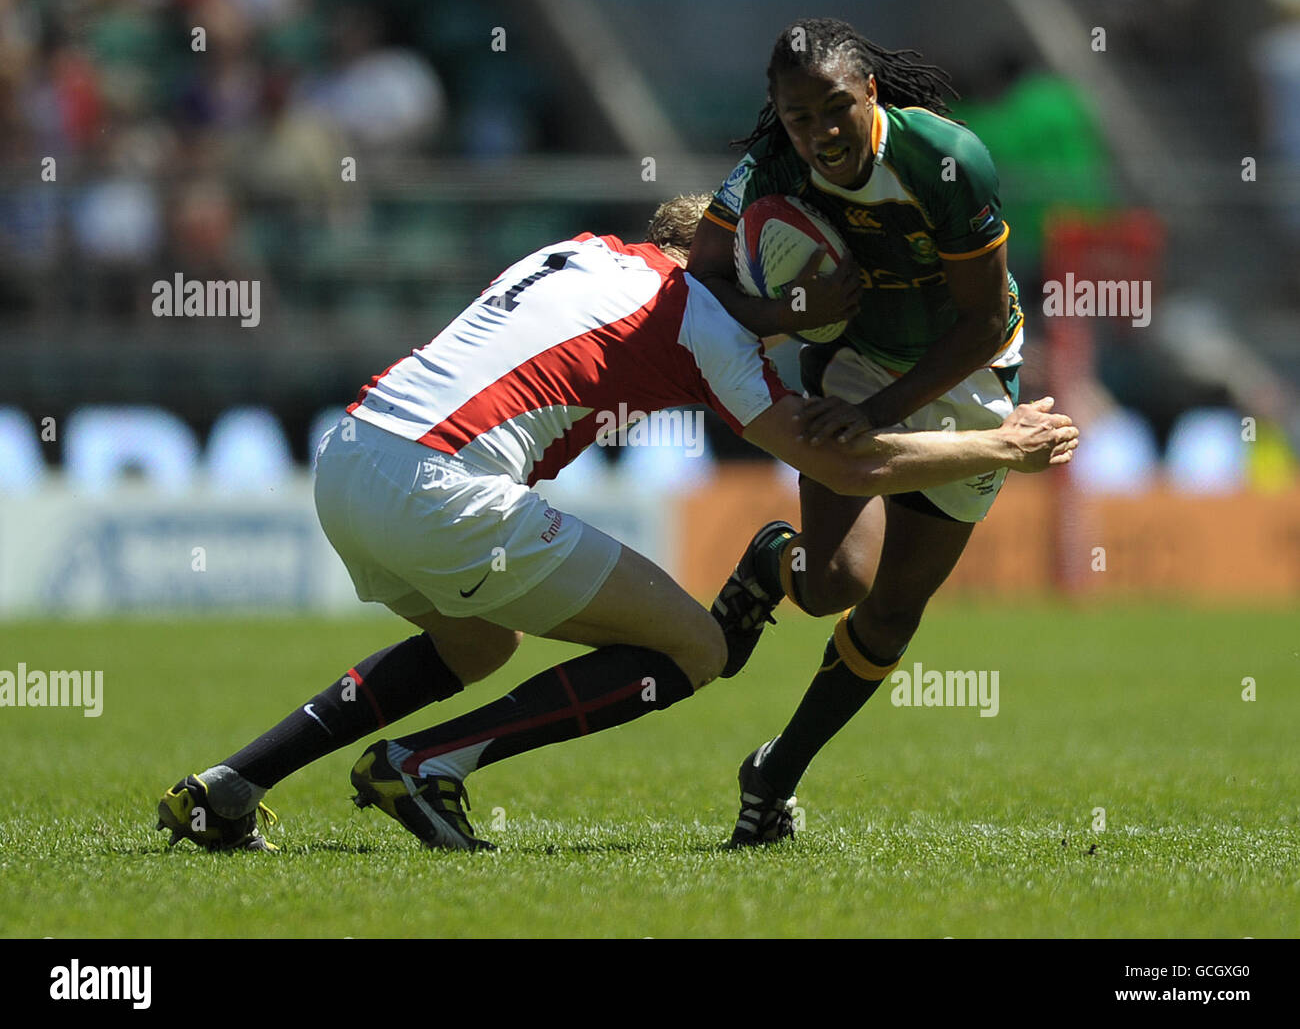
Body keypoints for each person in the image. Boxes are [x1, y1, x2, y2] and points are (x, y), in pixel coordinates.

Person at [155, 194, 1076, 852]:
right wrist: (1002, 448)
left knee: (476, 645)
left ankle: (230, 785)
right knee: (697, 651)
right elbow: (843, 463)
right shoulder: (700, 319)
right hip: (443, 491)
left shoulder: (584, 248)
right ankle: (423, 762)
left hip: (350, 456)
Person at [687, 18, 1036, 846]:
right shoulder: (768, 167)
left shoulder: (946, 159)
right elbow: (700, 281)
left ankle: (774, 773)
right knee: (838, 579)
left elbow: (984, 322)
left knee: (892, 616)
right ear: (779, 115)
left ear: (870, 92)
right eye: (799, 117)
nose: (821, 133)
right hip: (854, 365)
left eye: (836, 108)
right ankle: (775, 560)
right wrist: (785, 314)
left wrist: (877, 419)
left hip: (970, 374)